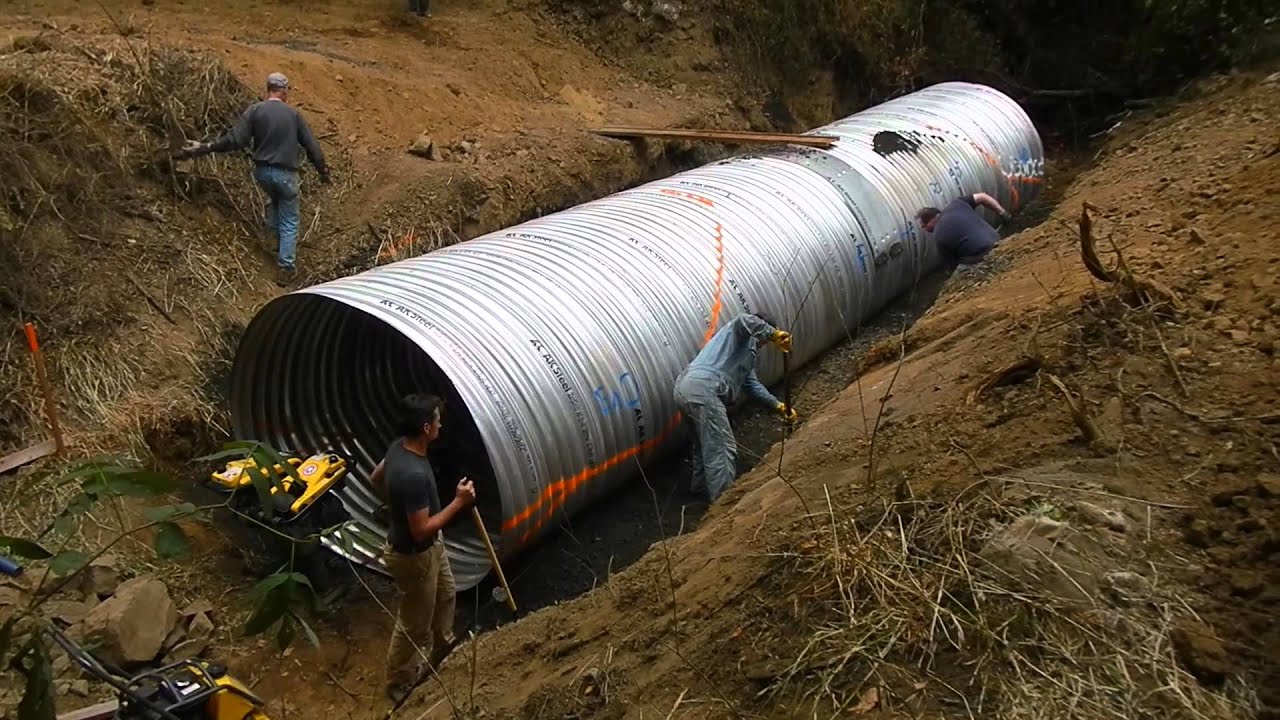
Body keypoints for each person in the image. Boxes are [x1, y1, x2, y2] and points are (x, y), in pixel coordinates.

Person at [368, 394, 475, 703]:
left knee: (448, 593)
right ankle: (398, 681)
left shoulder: (398, 447)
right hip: (414, 557)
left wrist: (397, 507)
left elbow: (375, 478)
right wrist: (459, 501)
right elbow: (421, 530)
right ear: (427, 427)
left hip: (430, 548)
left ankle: (443, 645)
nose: (441, 424)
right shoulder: (413, 475)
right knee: (414, 624)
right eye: (438, 421)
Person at [176, 72, 330, 285]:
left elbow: (236, 140)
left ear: (267, 89)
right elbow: (312, 147)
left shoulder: (255, 110)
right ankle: (286, 266)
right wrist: (323, 172)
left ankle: (271, 239)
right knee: (290, 218)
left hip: (263, 173)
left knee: (276, 200)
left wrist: (206, 148)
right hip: (286, 174)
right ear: (284, 91)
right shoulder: (294, 115)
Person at [673, 313, 795, 502]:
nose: (766, 344)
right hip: (704, 390)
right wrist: (773, 333)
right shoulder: (739, 334)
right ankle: (722, 506)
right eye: (766, 339)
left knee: (702, 443)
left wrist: (778, 406)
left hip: (686, 389)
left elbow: (752, 386)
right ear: (760, 331)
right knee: (721, 447)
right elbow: (743, 319)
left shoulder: (745, 357)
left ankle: (699, 489)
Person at [916, 192, 1012, 267]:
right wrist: (1003, 213)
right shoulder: (957, 204)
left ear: (930, 220)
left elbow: (951, 265)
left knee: (960, 271)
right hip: (998, 241)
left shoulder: (938, 235)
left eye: (923, 226)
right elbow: (982, 196)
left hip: (982, 256)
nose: (924, 229)